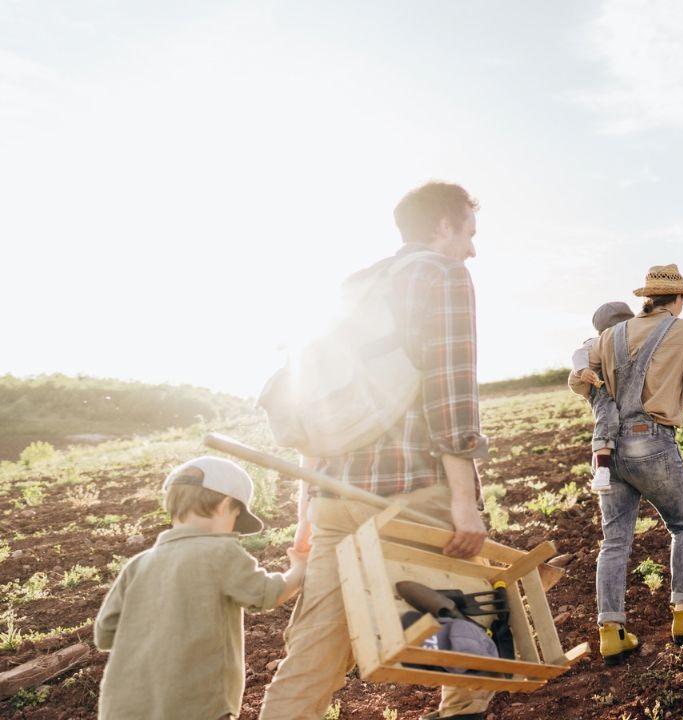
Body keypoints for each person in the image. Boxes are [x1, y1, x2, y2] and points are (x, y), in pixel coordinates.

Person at [260, 181, 492, 720]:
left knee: (314, 647)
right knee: (463, 641)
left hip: (336, 498)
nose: (472, 249)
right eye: (469, 233)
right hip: (411, 491)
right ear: (443, 226)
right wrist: (463, 500)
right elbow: (452, 389)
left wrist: (307, 513)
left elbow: (313, 404)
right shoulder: (443, 273)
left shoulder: (354, 284)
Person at [569, 264, 683, 664]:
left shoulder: (610, 336)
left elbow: (581, 378)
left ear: (646, 298)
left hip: (608, 448)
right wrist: (673, 405)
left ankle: (612, 631)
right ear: (678, 299)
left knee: (615, 542)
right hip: (652, 440)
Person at [94, 457, 307, 720]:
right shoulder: (220, 551)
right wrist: (298, 571)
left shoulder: (137, 565)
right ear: (227, 506)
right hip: (197, 704)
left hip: (123, 708)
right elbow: (267, 593)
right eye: (236, 518)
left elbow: (104, 634)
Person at [570, 301, 636, 494]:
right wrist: (583, 370)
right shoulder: (595, 343)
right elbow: (578, 354)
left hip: (617, 385)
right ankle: (603, 468)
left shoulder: (631, 342)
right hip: (599, 385)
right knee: (607, 415)